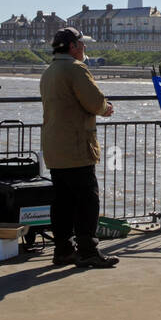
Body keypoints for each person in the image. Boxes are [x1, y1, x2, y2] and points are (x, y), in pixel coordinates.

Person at [40, 27, 118, 268]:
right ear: (73, 46)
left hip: (54, 146)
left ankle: (63, 250)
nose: (84, 48)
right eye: (82, 44)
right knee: (87, 200)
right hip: (75, 146)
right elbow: (95, 102)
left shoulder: (49, 71)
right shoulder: (76, 69)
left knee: (62, 201)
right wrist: (106, 109)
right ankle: (88, 251)